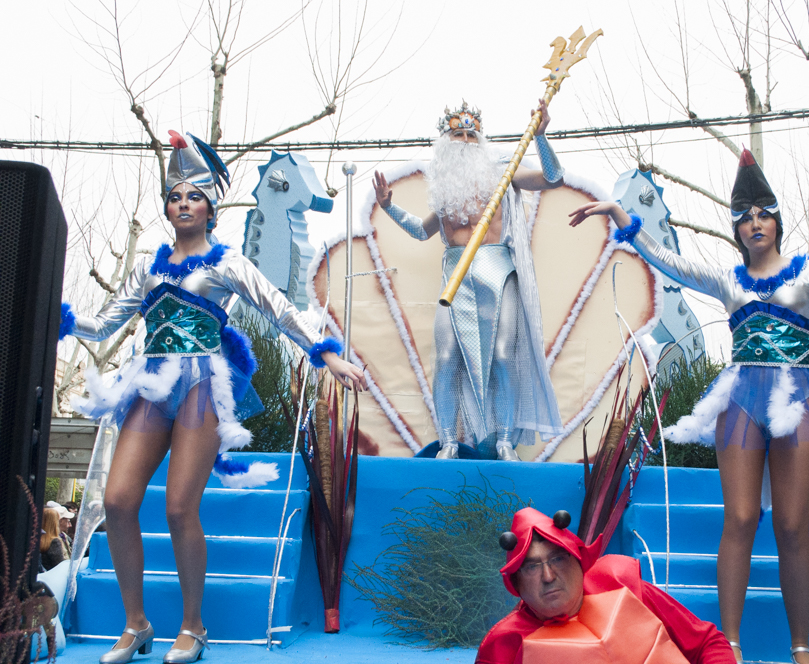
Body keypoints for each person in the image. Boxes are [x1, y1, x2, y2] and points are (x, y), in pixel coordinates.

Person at [567, 150, 809, 664]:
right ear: (737, 229)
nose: (755, 223)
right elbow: (670, 263)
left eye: (763, 214)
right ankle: (727, 643)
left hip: (800, 399)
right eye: (745, 217)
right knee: (741, 517)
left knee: (792, 525)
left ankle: (800, 646)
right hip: (743, 400)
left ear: (777, 221)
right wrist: (621, 216)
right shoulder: (730, 281)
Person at [60, 131, 365, 664]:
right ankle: (136, 625)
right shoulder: (148, 269)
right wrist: (58, 316)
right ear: (167, 208)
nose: (183, 203)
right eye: (175, 196)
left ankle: (193, 626)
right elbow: (105, 323)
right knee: (118, 501)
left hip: (201, 384)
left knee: (180, 507)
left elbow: (279, 310)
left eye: (194, 196)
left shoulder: (227, 264)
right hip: (151, 381)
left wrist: (326, 355)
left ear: (210, 208)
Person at [372, 101, 563, 461]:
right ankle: (448, 443)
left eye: (471, 135)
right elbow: (421, 230)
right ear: (445, 142)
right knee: (446, 358)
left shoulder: (503, 171)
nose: (464, 141)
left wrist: (540, 136)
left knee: (503, 356)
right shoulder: (446, 191)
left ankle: (504, 442)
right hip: (455, 278)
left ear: (481, 141)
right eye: (457, 134)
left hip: (498, 271)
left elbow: (553, 178)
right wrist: (388, 207)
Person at [477, 508, 735, 664]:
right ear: (516, 584)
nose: (548, 576)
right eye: (532, 567)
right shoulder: (505, 644)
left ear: (580, 561)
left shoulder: (622, 586)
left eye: (558, 558)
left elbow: (708, 642)